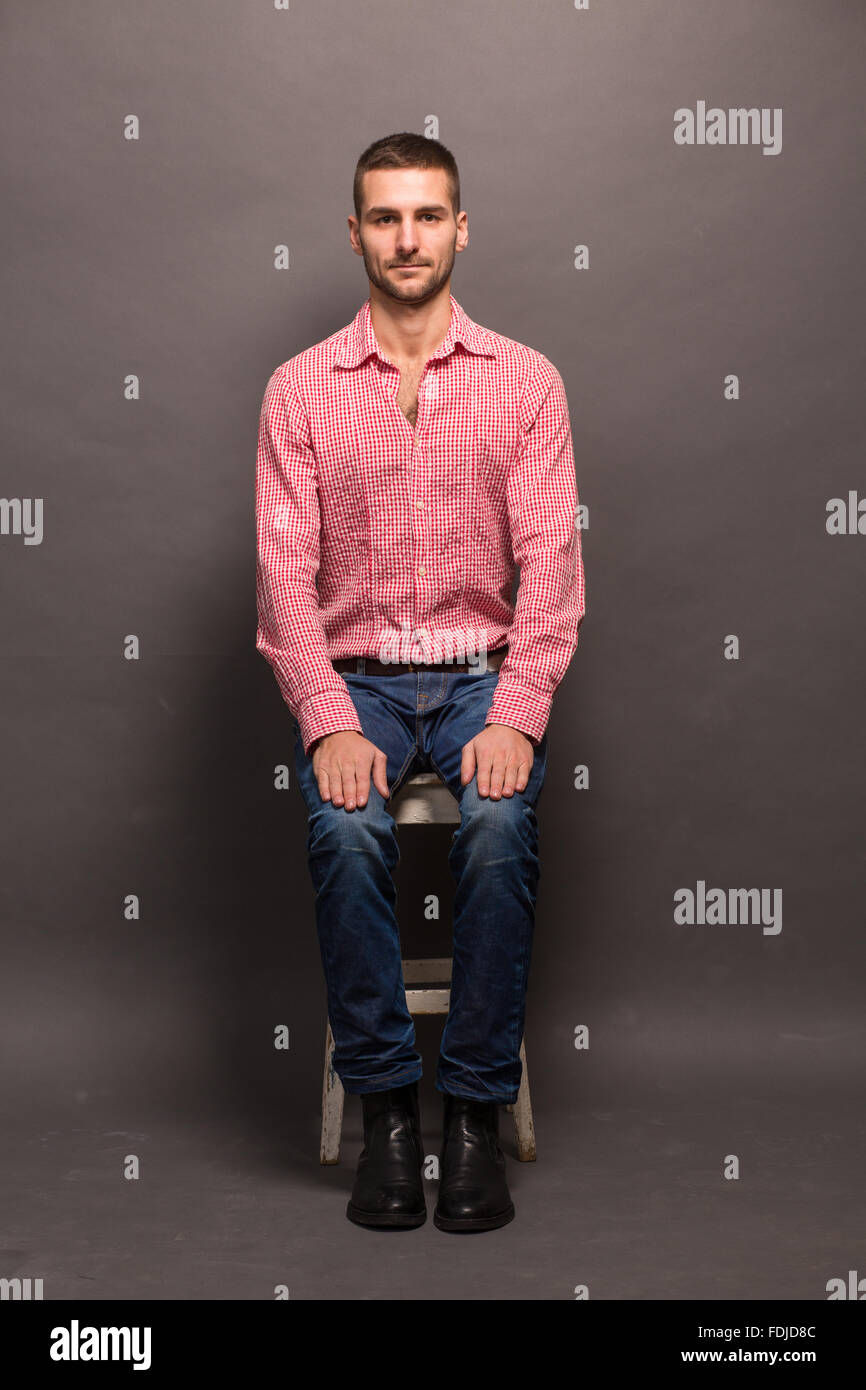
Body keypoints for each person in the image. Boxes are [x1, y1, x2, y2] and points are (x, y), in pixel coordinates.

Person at [255, 131, 586, 1232]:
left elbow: (552, 570)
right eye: (385, 217)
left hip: (477, 676)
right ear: (354, 232)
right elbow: (281, 580)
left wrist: (522, 710)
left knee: (498, 824)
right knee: (344, 830)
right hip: (359, 683)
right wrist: (321, 720)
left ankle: (473, 1116)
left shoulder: (524, 381)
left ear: (458, 227)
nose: (407, 238)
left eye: (426, 215)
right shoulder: (299, 390)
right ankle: (389, 1111)